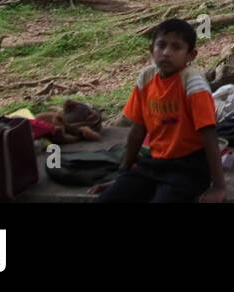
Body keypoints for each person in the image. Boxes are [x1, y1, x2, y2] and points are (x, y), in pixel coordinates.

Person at [93, 18, 226, 203]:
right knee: (108, 199)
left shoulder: (193, 83)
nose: (166, 53)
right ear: (151, 50)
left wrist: (219, 187)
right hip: (153, 163)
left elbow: (209, 134)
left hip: (188, 168)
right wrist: (122, 175)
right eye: (161, 45)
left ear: (191, 55)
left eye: (176, 47)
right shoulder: (146, 77)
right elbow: (138, 130)